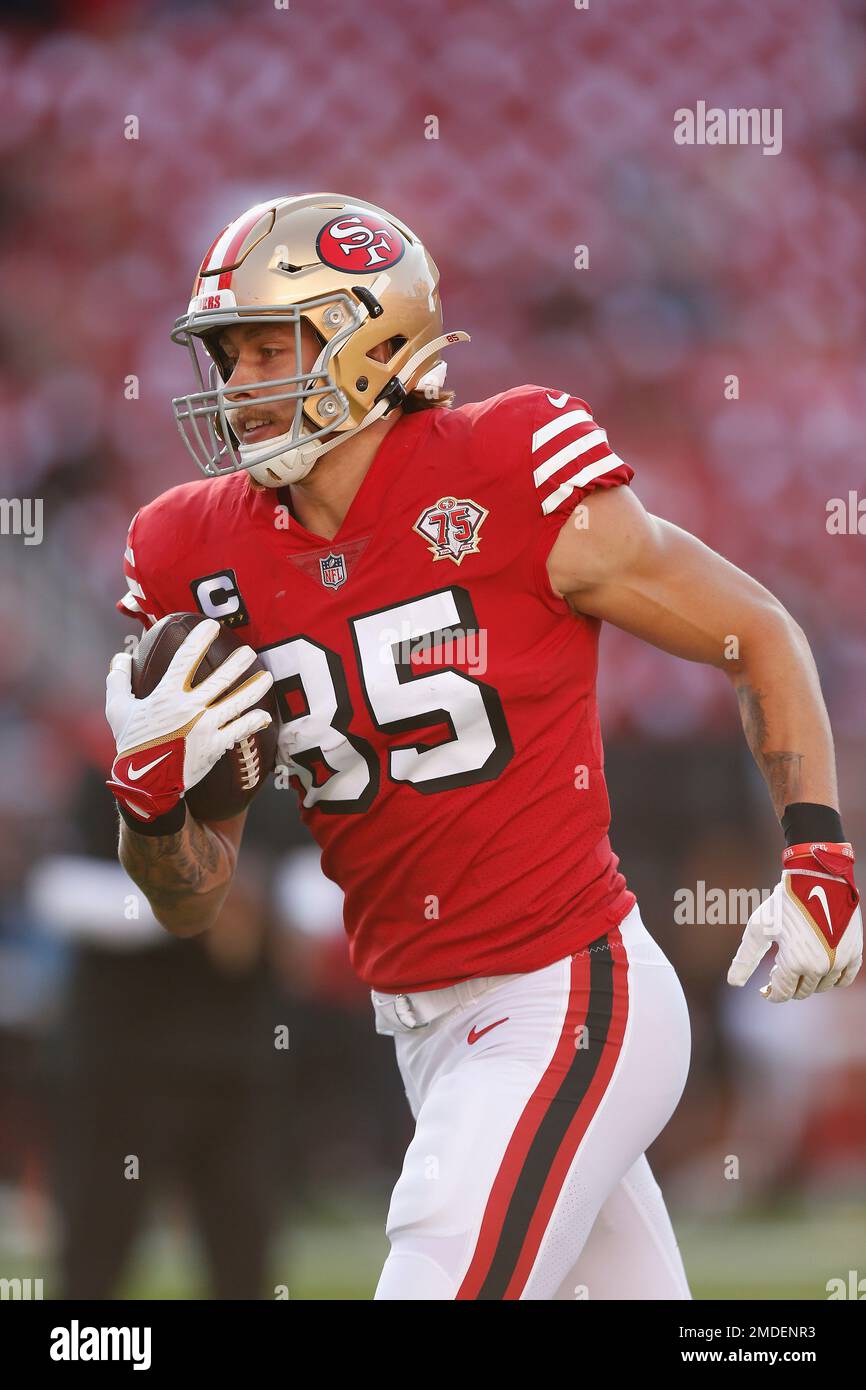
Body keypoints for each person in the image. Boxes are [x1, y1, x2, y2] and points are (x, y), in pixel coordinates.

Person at [104, 194, 862, 1300]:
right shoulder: (189, 548)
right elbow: (189, 900)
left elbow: (758, 632)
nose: (238, 383)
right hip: (419, 1028)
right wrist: (149, 806)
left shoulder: (504, 465)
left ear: (373, 339)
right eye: (226, 354)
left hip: (569, 994)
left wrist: (817, 856)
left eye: (273, 345)